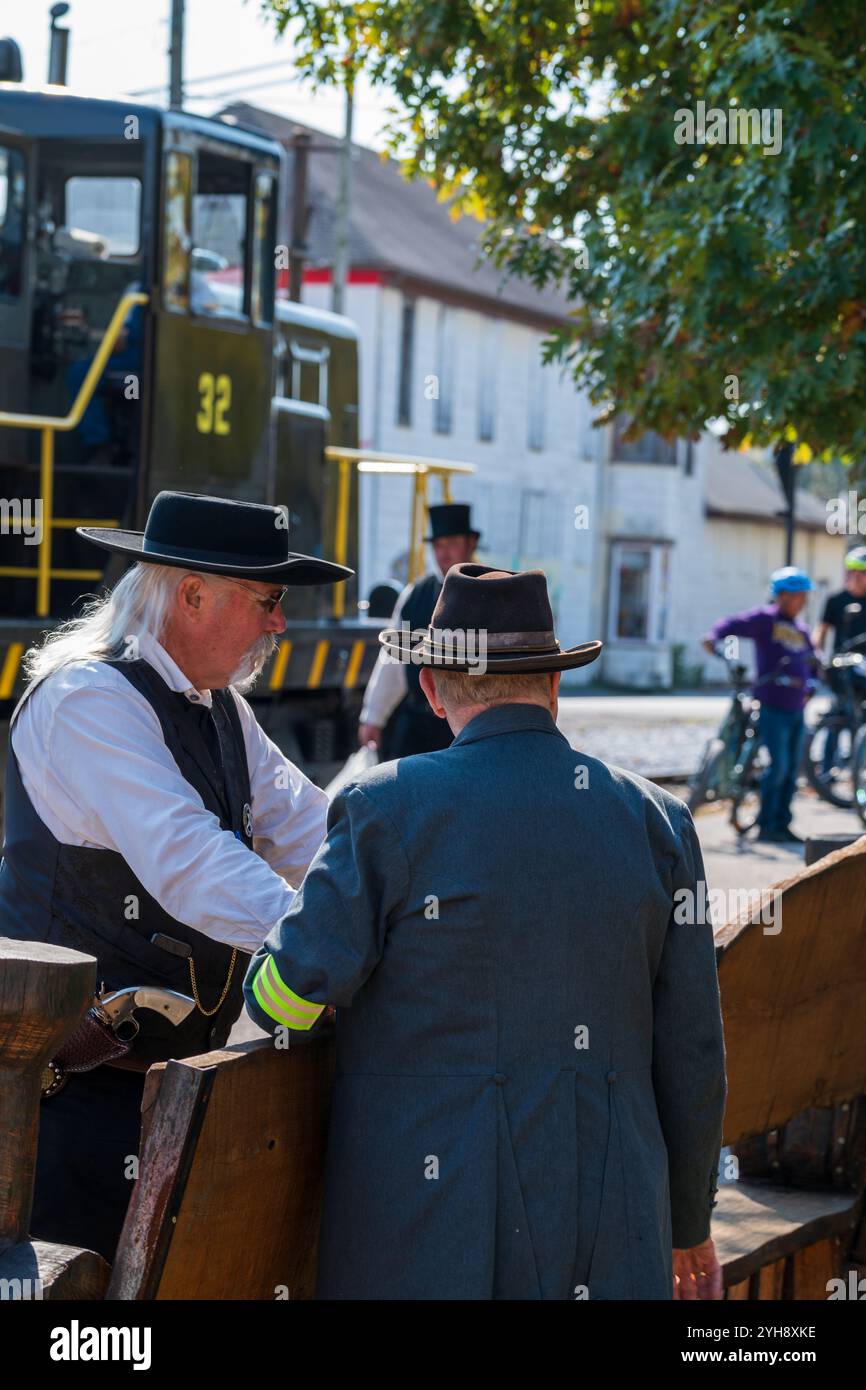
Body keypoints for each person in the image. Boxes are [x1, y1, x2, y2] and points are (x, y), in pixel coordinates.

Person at [244, 563, 727, 1300]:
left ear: (431, 690)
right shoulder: (660, 821)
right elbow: (694, 1049)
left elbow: (285, 999)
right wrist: (688, 1222)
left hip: (426, 1228)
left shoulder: (387, 807)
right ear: (554, 685)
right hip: (616, 1224)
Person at [0, 490, 351, 1262]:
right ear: (192, 595)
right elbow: (190, 862)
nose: (279, 624)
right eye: (267, 600)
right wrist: (334, 938)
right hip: (67, 1103)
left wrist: (411, 883)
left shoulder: (220, 707)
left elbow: (315, 827)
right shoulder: (87, 699)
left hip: (171, 1091)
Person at [703, 566, 817, 844]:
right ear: (779, 596)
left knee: (792, 770)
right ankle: (767, 824)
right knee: (778, 766)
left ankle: (782, 821)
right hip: (772, 705)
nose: (800, 602)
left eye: (803, 596)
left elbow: (814, 663)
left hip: (796, 707)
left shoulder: (801, 630)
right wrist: (713, 637)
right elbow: (731, 624)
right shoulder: (765, 620)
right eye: (794, 596)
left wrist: (812, 684)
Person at [358, 502, 480, 759]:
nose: (444, 553)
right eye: (438, 546)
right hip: (417, 726)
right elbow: (393, 659)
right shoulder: (415, 595)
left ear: (470, 543)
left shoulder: (488, 592)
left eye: (451, 544)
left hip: (470, 729)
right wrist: (373, 717)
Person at [812, 547, 866, 779]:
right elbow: (821, 632)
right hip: (841, 668)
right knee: (837, 718)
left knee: (860, 721)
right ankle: (827, 770)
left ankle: (857, 770)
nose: (855, 577)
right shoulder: (836, 600)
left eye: (861, 573)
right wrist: (816, 659)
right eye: (851, 572)